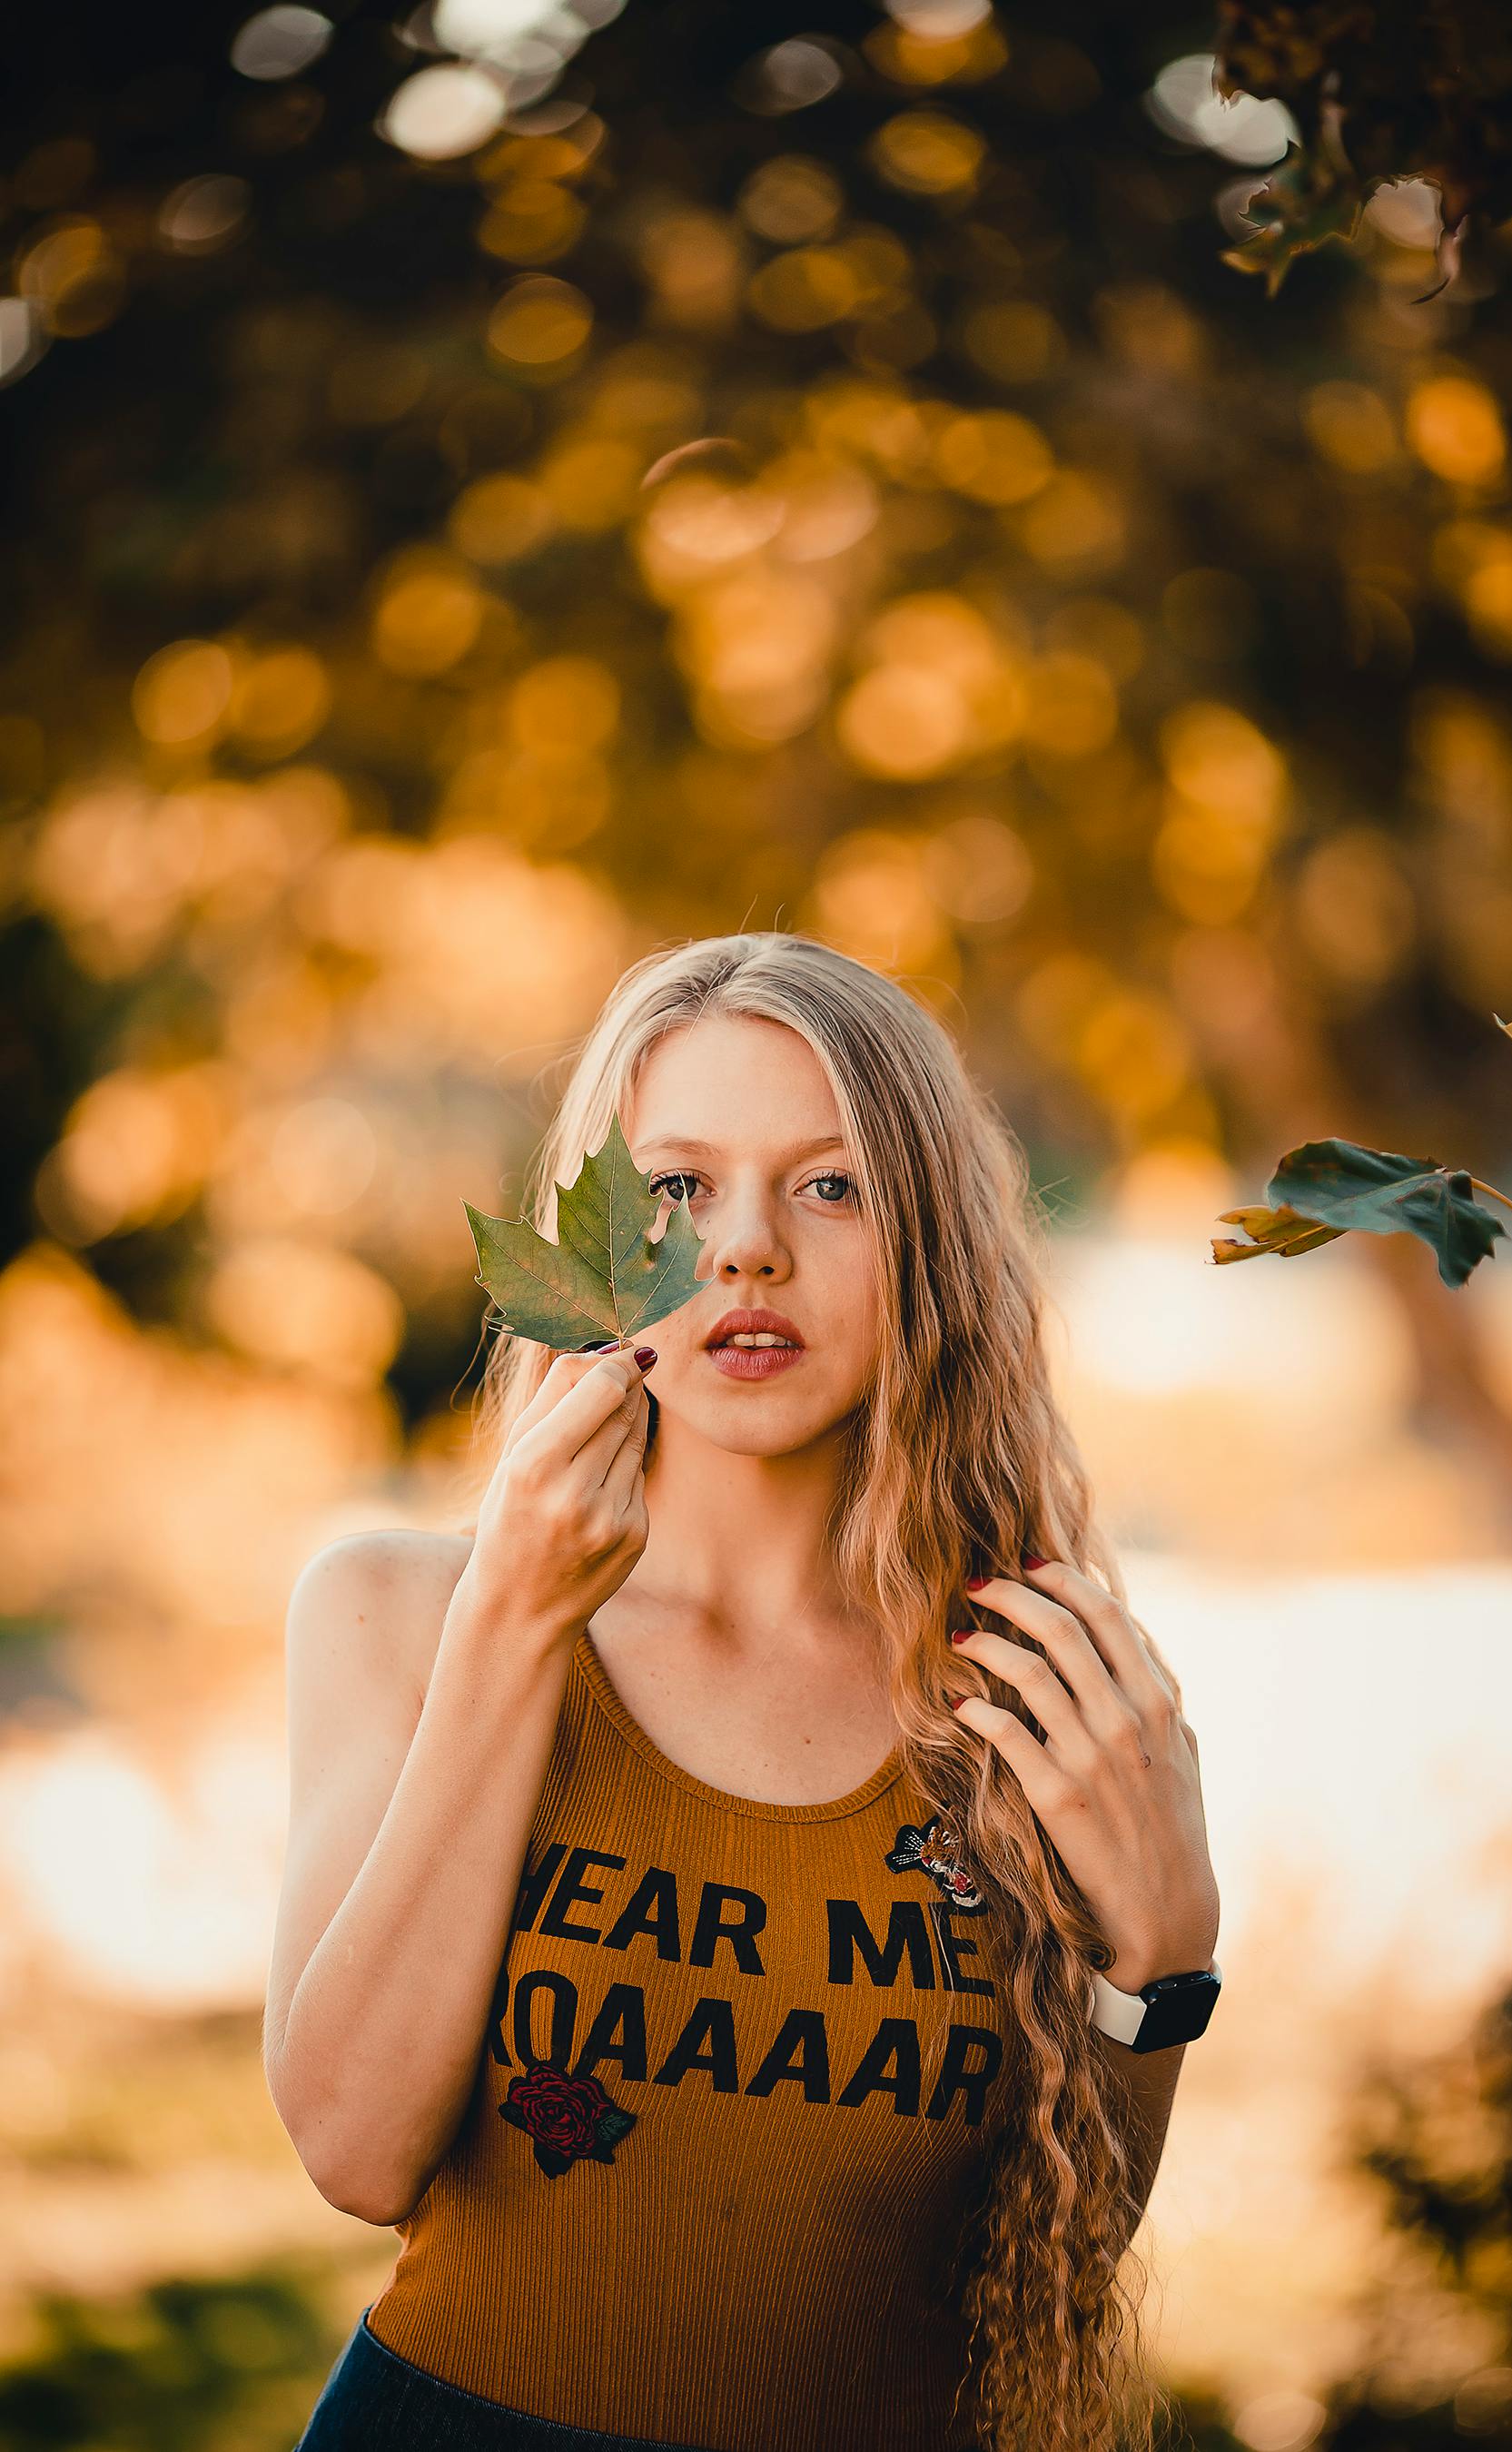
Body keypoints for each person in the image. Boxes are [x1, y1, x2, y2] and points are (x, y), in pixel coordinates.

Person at [265, 931, 1221, 2452]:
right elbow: (356, 2151)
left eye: (831, 1185)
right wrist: (511, 1632)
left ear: (931, 1244)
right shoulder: (397, 1609)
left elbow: (1043, 2276)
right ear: (589, 1244)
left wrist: (1166, 1962)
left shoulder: (1030, 1680)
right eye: (675, 1190)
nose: (745, 1253)